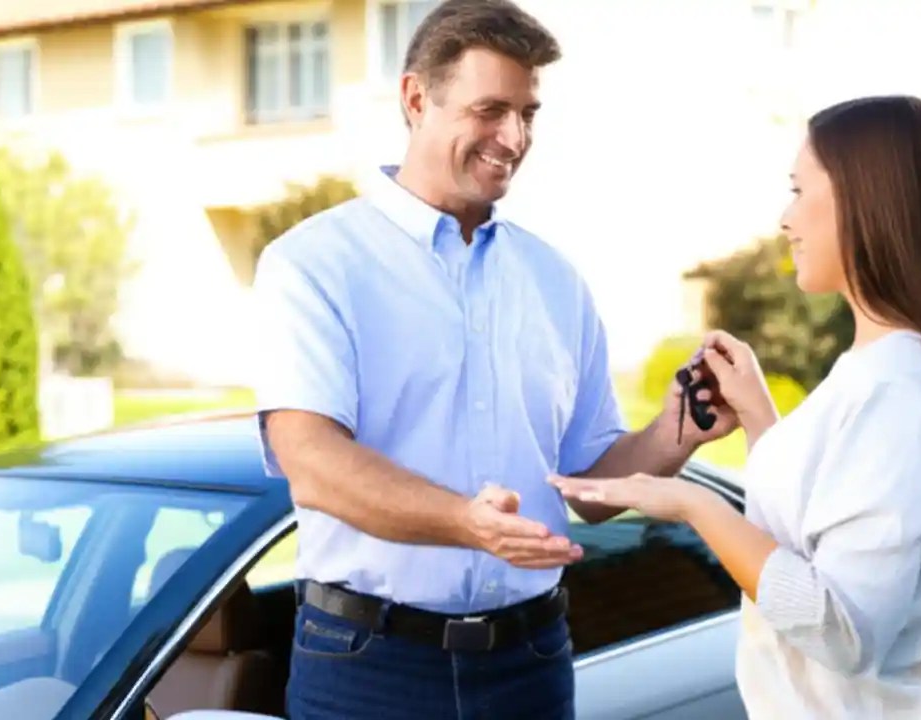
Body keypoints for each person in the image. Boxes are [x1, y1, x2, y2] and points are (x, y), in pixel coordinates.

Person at [249, 1, 736, 717]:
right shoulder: (313, 265)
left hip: (530, 664)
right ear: (418, 99)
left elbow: (588, 486)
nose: (513, 137)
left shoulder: (556, 281)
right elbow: (313, 462)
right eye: (491, 109)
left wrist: (676, 435)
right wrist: (464, 521)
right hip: (368, 666)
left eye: (528, 113)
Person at [551, 94, 921, 719]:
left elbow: (841, 628)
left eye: (798, 189)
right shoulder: (881, 372)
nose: (786, 219)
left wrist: (691, 504)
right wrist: (762, 421)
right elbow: (820, 531)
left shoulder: (897, 397)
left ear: (864, 201)